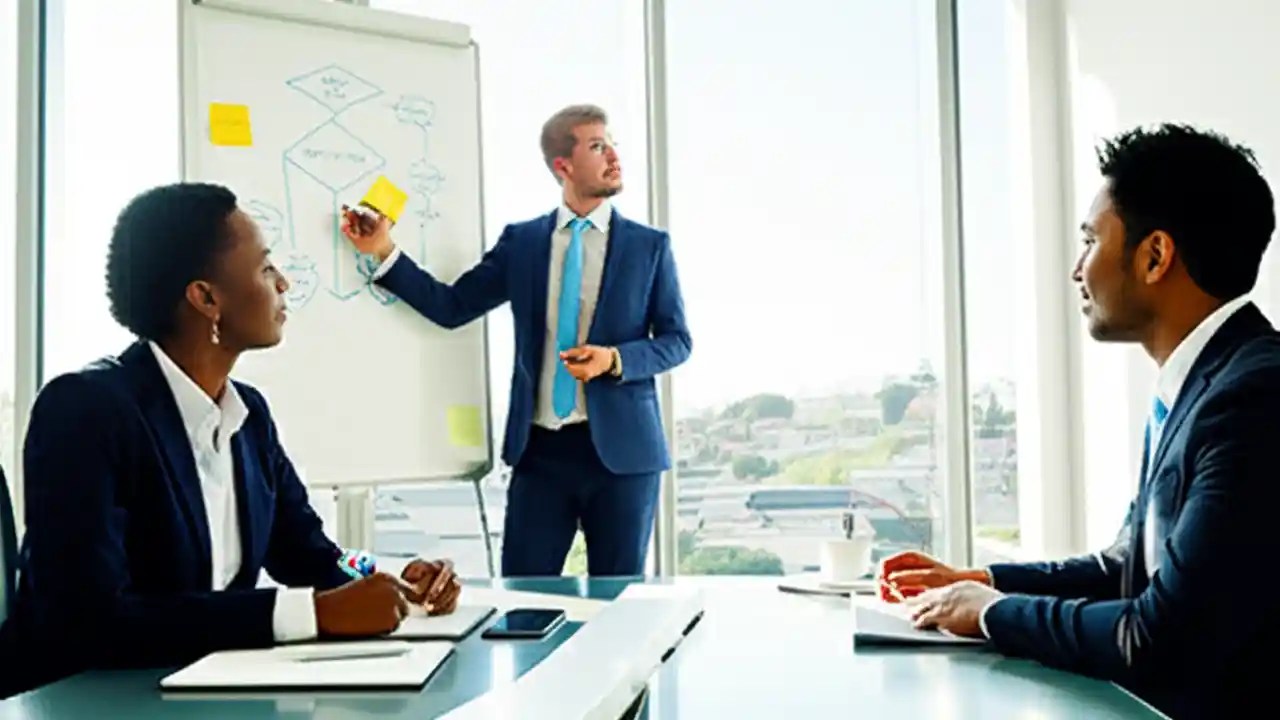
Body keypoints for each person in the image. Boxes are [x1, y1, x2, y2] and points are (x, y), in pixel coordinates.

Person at [876, 124, 1279, 718]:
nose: (1077, 270)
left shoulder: (1252, 396)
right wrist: (984, 580)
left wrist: (990, 612)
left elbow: (1158, 636)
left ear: (1155, 256)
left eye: (1090, 240)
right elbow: (1126, 567)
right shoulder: (1207, 381)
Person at [0, 183, 461, 698]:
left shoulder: (248, 416)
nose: (283, 282)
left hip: (198, 695)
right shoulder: (86, 410)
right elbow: (88, 618)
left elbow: (310, 556)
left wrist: (395, 582)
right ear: (206, 297)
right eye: (265, 268)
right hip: (82, 702)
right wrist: (310, 613)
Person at [341, 104, 691, 577]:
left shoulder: (648, 246)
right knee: (524, 598)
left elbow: (676, 341)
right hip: (541, 455)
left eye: (612, 144)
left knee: (616, 604)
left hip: (625, 458)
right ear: (563, 165)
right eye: (597, 146)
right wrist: (383, 250)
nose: (614, 156)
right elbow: (452, 306)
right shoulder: (523, 243)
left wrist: (614, 359)